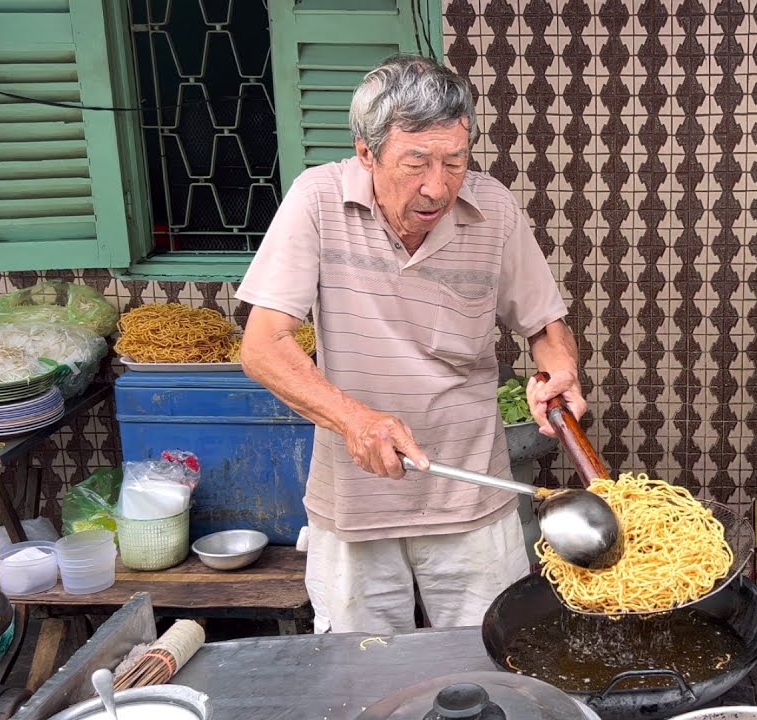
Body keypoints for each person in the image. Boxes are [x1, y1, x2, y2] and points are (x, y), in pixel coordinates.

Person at [236, 53, 586, 634]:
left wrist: (561, 369)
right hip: (357, 502)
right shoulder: (317, 200)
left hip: (473, 498)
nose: (437, 187)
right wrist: (356, 421)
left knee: (489, 658)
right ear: (366, 152)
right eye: (416, 162)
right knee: (362, 669)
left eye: (455, 161)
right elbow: (263, 346)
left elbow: (543, 323)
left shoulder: (493, 208)